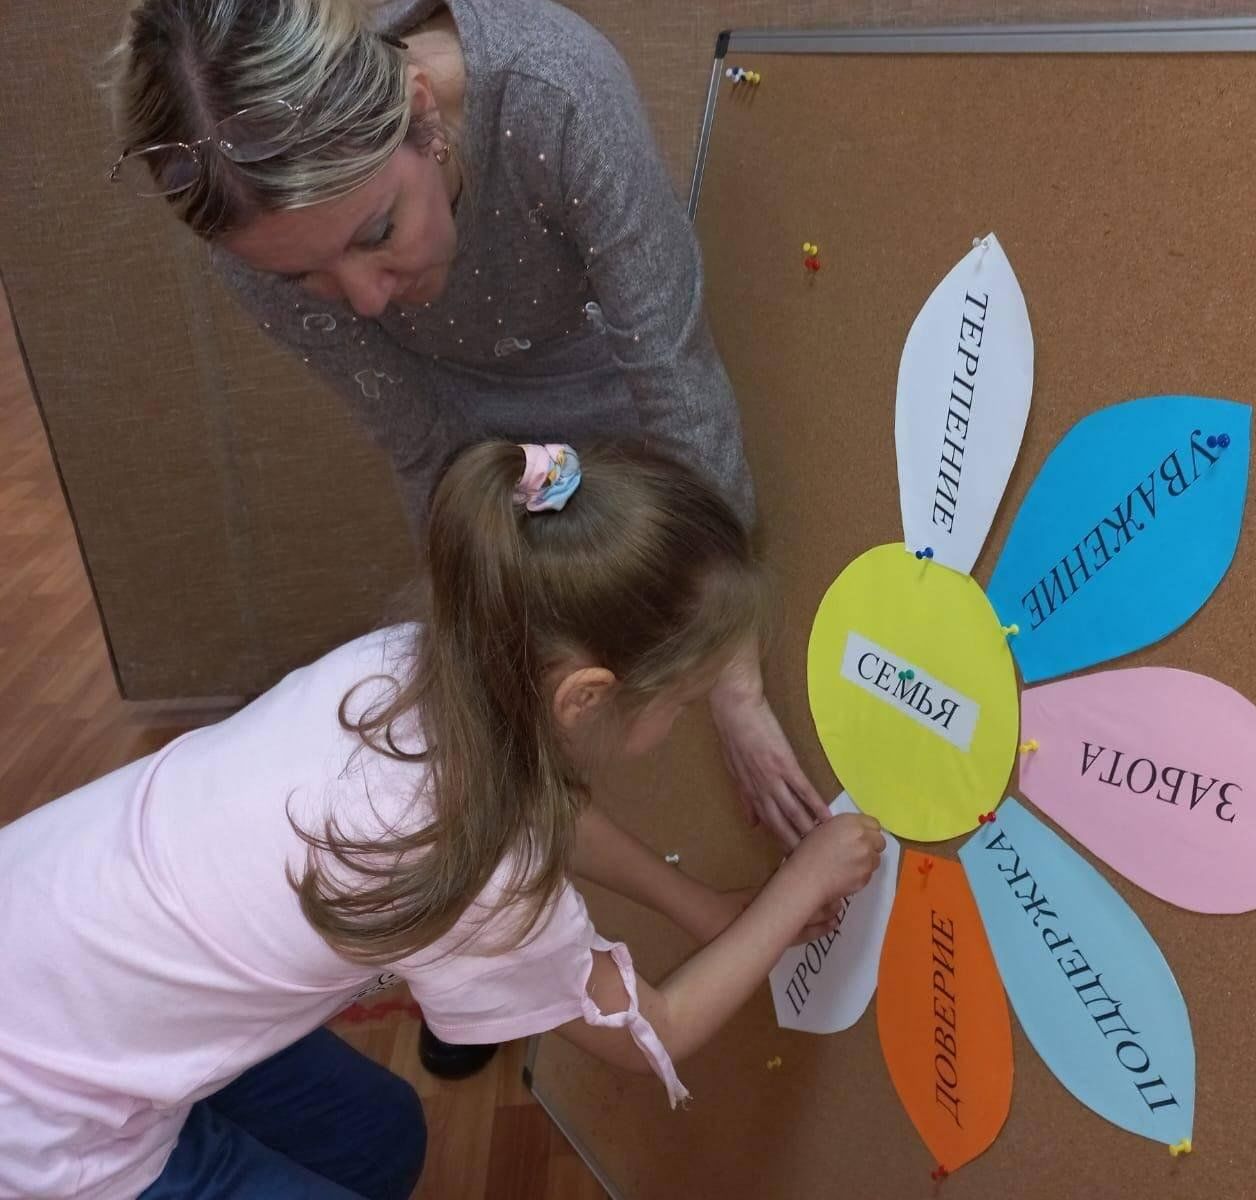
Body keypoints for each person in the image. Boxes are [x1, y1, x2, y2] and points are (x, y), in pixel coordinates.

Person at [0, 440, 885, 1200]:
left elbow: (534, 814)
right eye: (684, 702)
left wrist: (700, 906)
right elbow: (655, 1025)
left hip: (47, 934)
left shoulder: (418, 662)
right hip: (41, 1117)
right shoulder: (473, 877)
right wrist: (800, 884)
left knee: (377, 1139)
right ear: (585, 698)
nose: (683, 719)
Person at [107, 0, 831, 852]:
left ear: (422, 116)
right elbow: (427, 447)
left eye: (378, 232)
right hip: (488, 442)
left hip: (636, 393)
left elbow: (673, 372)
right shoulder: (256, 243)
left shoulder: (553, 91)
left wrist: (731, 670)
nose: (365, 301)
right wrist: (478, 635)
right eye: (308, 277)